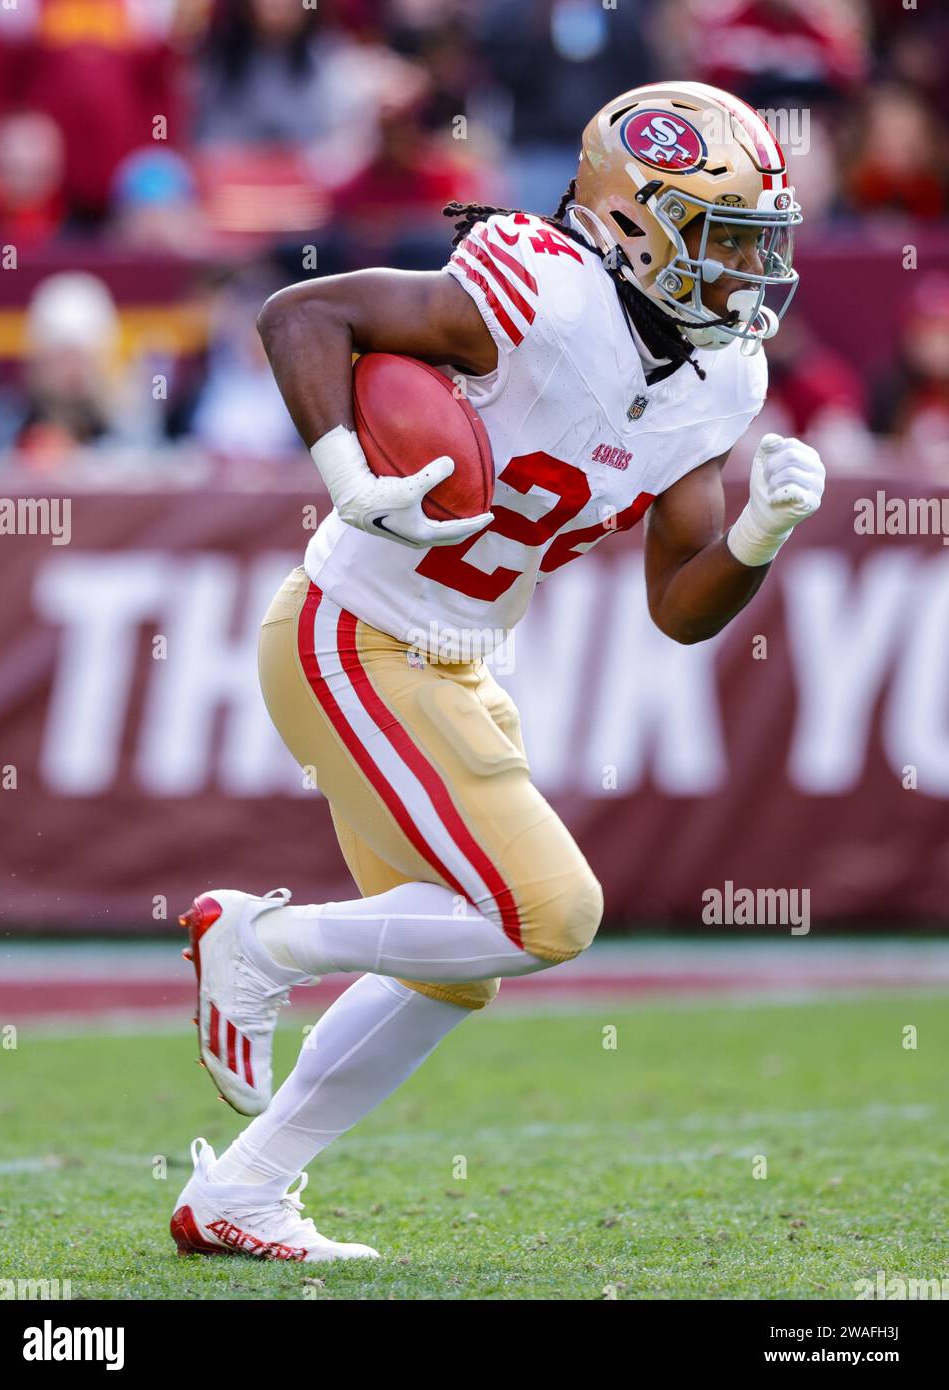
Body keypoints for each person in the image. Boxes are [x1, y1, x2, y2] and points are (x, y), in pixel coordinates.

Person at [170, 81, 826, 1263]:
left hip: (453, 659)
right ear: (632, 223)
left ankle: (245, 1193)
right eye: (721, 241)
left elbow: (679, 609)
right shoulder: (540, 289)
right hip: (351, 630)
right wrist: (343, 473)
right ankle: (257, 944)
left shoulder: (722, 379)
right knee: (550, 910)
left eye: (755, 246)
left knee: (454, 962)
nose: (745, 274)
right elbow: (301, 316)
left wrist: (756, 537)